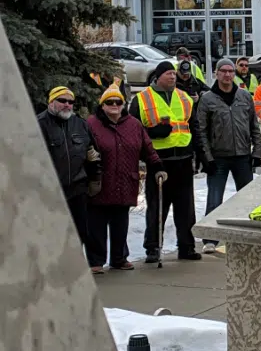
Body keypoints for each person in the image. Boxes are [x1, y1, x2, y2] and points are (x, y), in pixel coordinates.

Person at [130, 61, 203, 262]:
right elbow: (132, 131)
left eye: (174, 73)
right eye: (168, 73)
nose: (173, 77)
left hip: (183, 159)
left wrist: (201, 154)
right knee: (156, 207)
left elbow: (194, 127)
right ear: (158, 76)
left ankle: (186, 246)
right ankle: (153, 247)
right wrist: (152, 133)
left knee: (186, 208)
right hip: (158, 161)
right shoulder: (142, 99)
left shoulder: (184, 98)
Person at [86, 85, 165, 273]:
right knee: (96, 225)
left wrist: (157, 167)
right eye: (109, 102)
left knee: (120, 223)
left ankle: (119, 258)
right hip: (99, 182)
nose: (114, 105)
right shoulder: (91, 124)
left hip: (125, 181)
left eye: (118, 102)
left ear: (123, 104)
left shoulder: (134, 125)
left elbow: (147, 148)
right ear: (102, 105)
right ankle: (96, 261)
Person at [197, 59, 261, 253]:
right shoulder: (207, 99)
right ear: (216, 73)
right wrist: (206, 158)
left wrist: (257, 151)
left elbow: (254, 126)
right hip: (218, 158)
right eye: (223, 71)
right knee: (214, 198)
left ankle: (248, 236)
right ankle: (210, 239)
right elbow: (201, 131)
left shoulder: (243, 96)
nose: (227, 75)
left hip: (242, 156)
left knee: (246, 199)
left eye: (230, 71)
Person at [38, 86, 102, 258]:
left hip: (77, 189)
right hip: (50, 192)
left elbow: (92, 153)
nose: (67, 105)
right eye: (62, 100)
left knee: (79, 232)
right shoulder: (39, 125)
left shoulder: (80, 124)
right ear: (51, 101)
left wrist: (95, 178)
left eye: (70, 102)